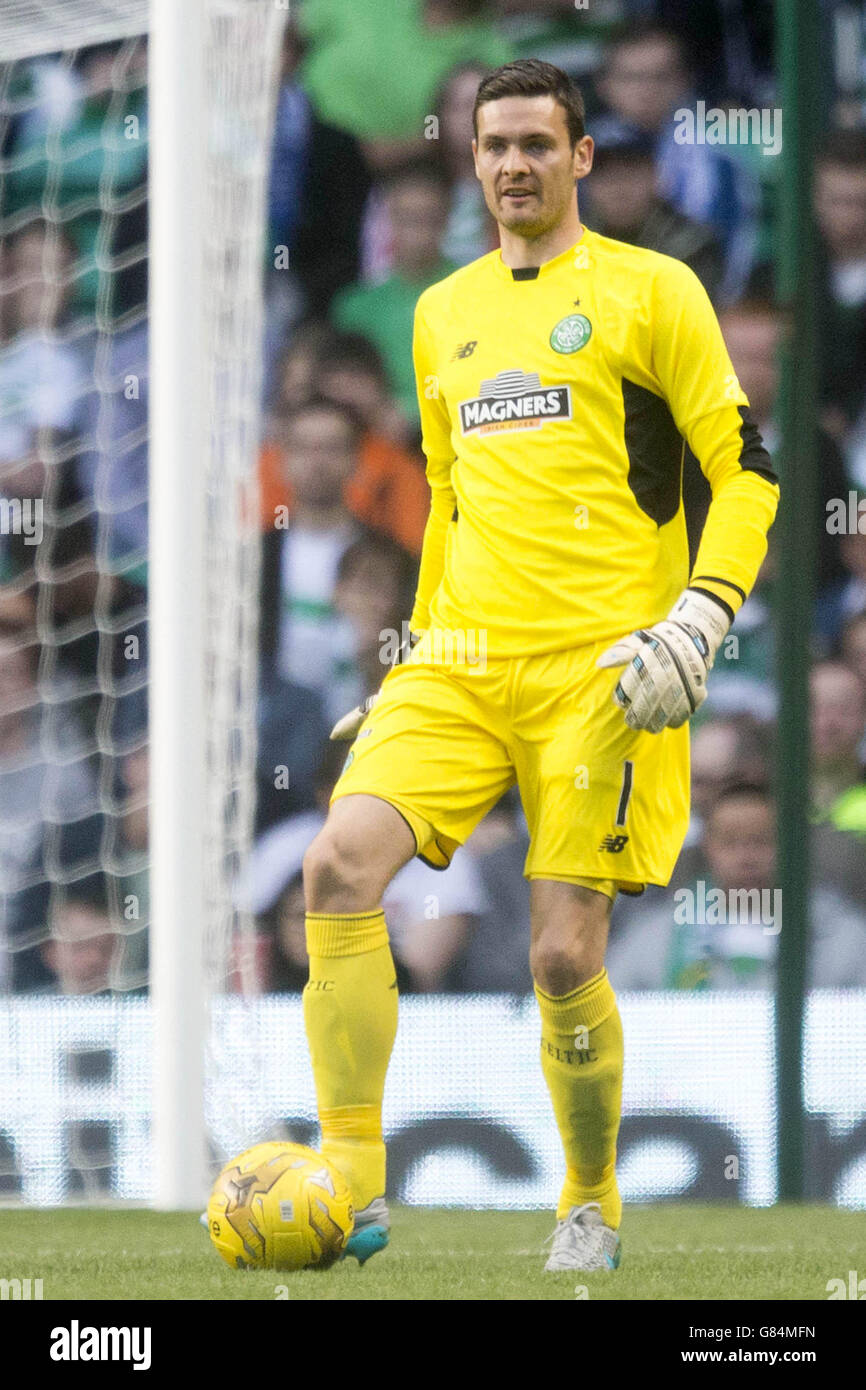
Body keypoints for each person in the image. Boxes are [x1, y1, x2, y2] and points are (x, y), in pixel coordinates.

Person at [299, 59, 778, 1272]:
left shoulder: (651, 292)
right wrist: (413, 642)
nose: (511, 162)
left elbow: (749, 471)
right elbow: (450, 504)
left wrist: (699, 617)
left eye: (534, 143)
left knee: (561, 955)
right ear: (469, 161)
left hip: (606, 671)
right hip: (457, 662)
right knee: (337, 866)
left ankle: (587, 1199)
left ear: (577, 159)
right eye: (491, 143)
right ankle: (349, 1184)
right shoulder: (439, 311)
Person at [606, 783, 866, 992]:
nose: (747, 857)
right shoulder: (656, 935)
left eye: (761, 841)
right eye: (731, 843)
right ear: (708, 848)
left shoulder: (843, 935)